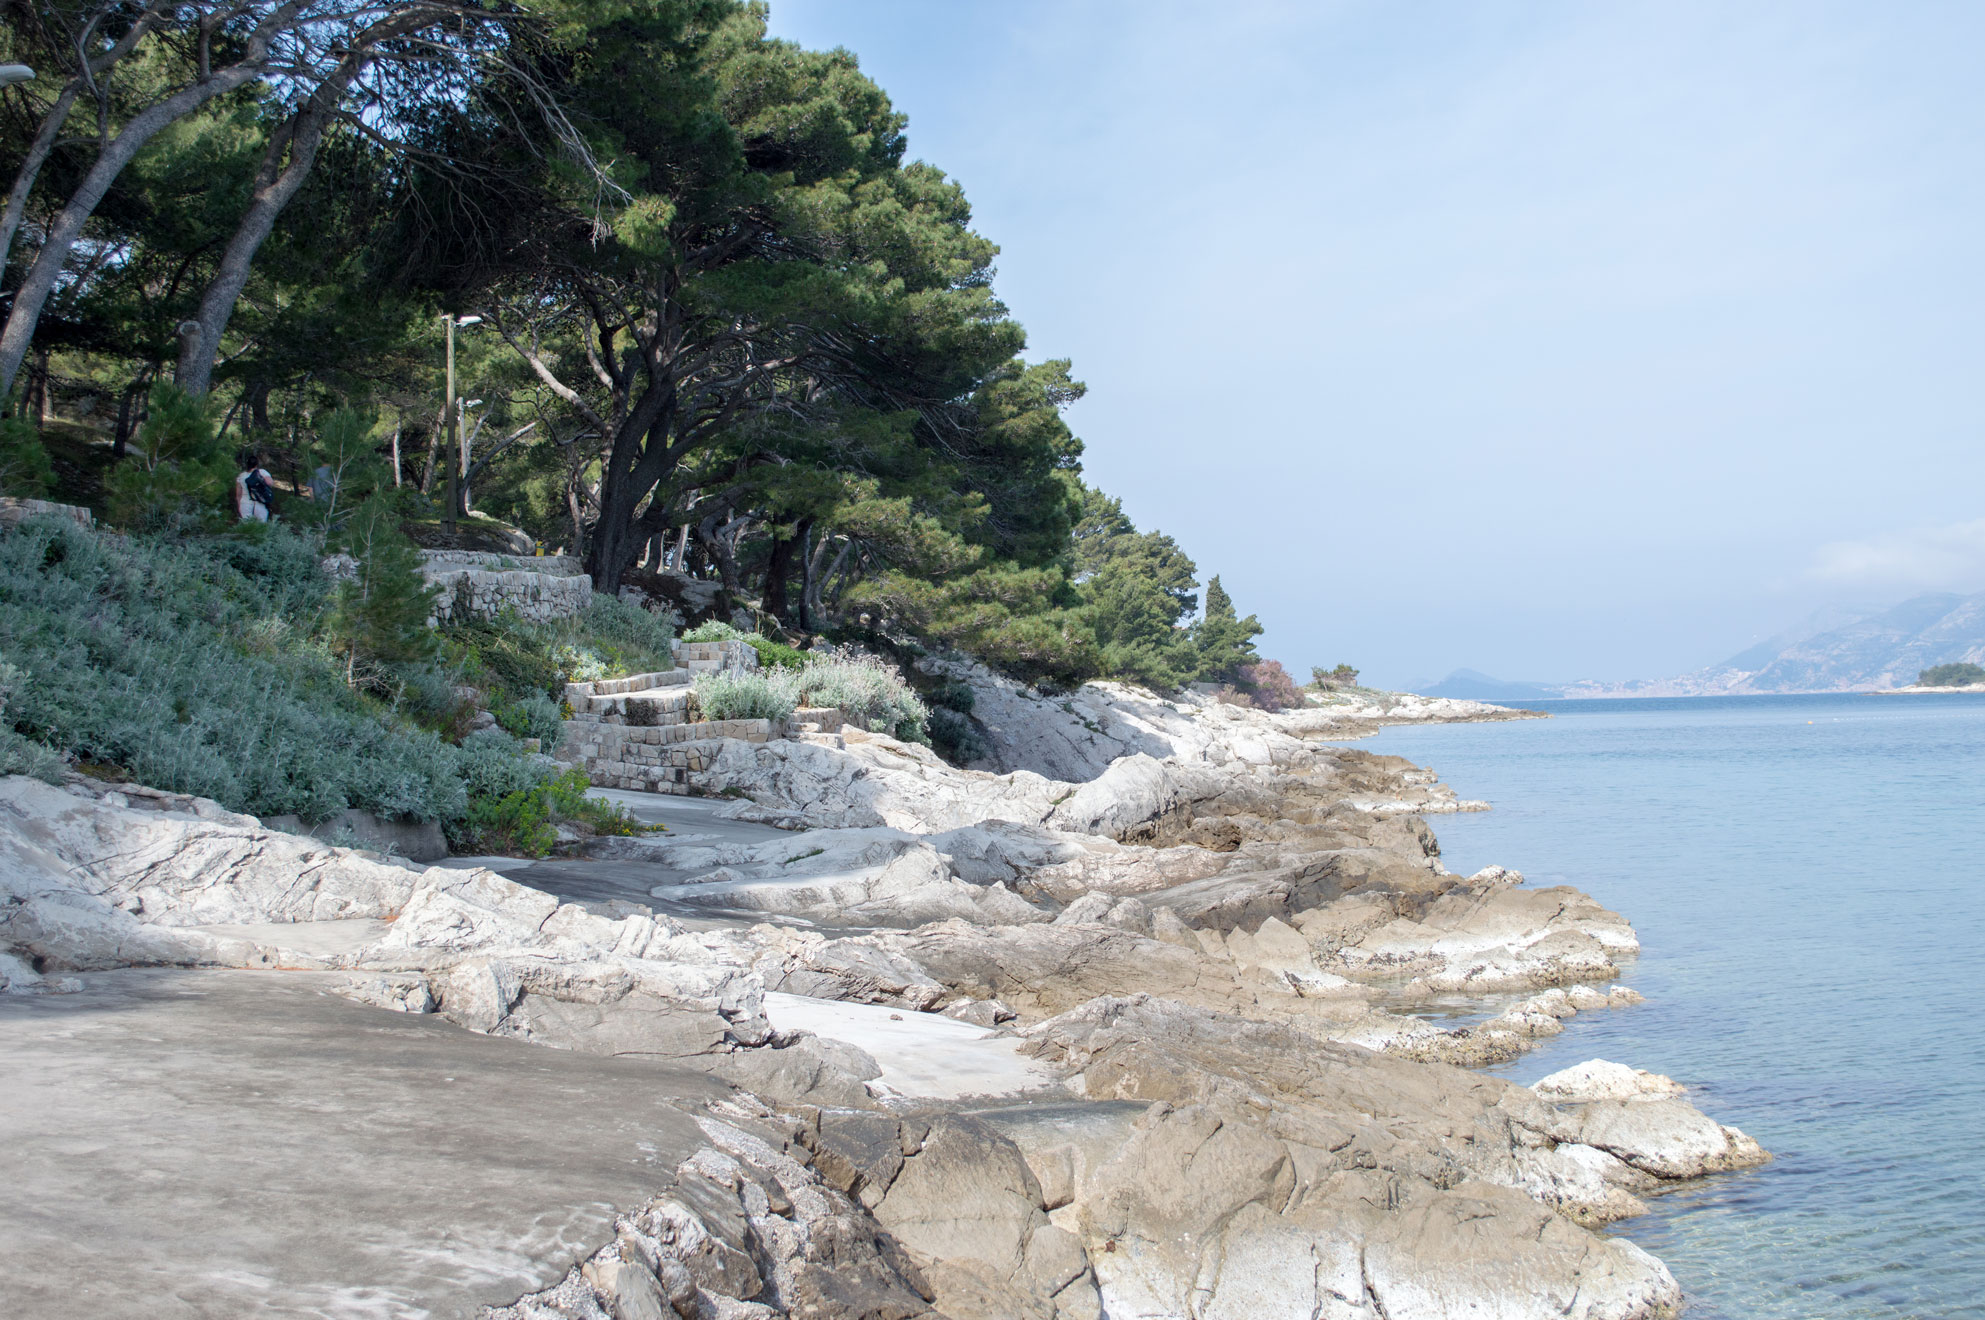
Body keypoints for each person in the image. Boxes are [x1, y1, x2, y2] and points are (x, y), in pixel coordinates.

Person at [235, 453, 275, 522]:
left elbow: (238, 495)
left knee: (246, 527)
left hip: (245, 503)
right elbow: (270, 482)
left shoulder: (241, 476)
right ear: (257, 464)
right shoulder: (261, 472)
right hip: (260, 502)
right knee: (261, 527)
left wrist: (239, 506)